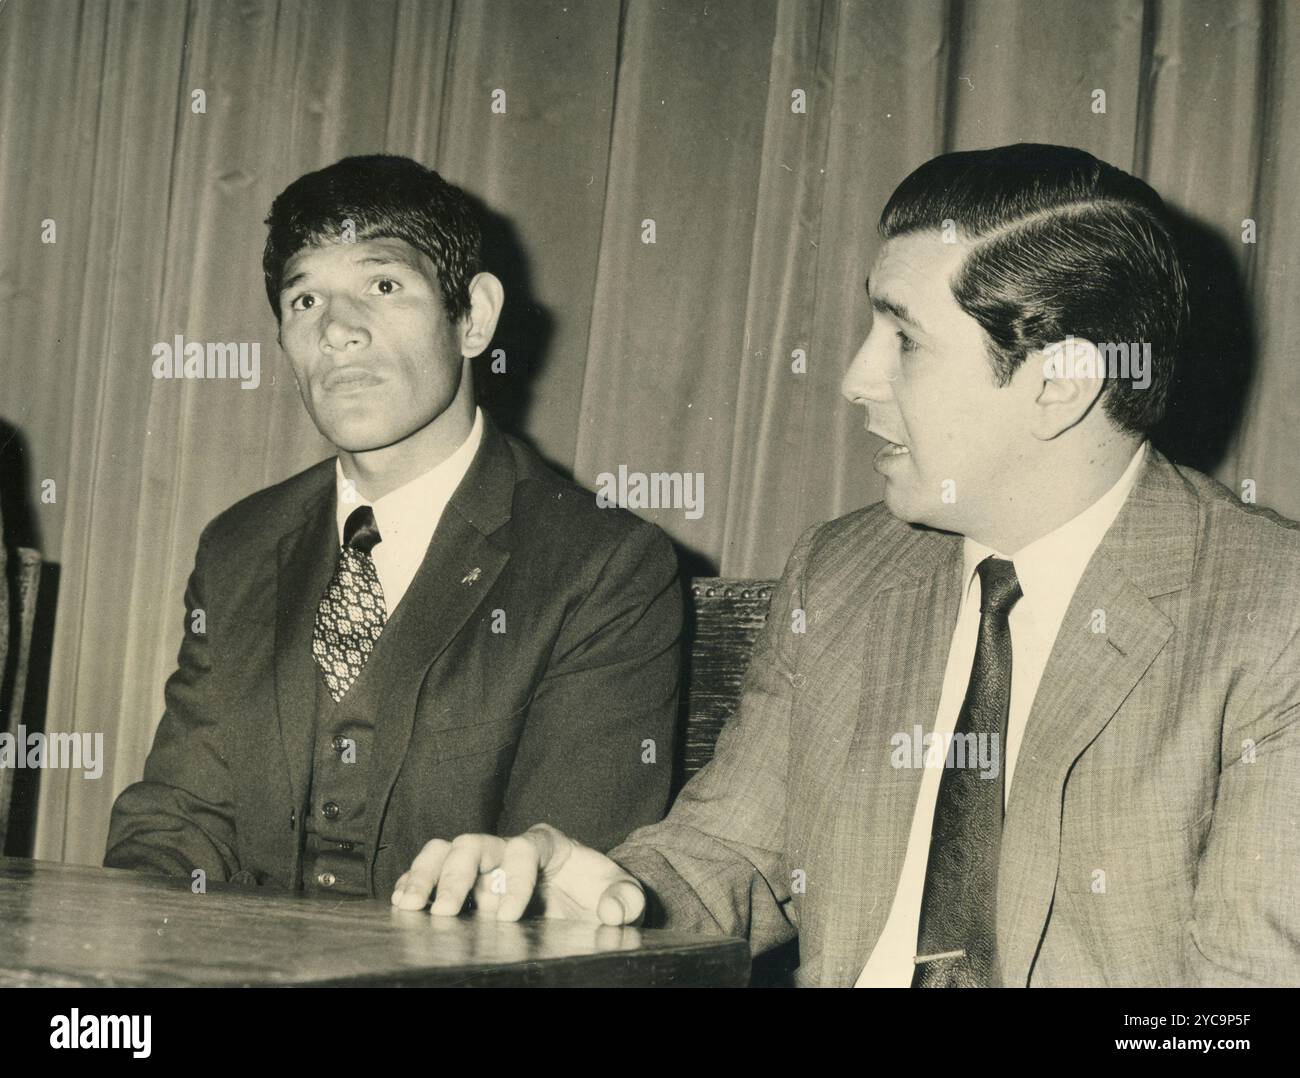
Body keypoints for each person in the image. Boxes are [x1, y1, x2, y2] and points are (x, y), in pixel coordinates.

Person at [396, 144, 1300, 986]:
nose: (856, 378)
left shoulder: (1272, 610)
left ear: (1058, 384)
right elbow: (733, 857)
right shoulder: (845, 571)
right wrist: (590, 889)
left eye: (903, 339)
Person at [105, 155, 682, 898]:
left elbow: (556, 893)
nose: (339, 330)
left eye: (382, 285)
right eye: (305, 299)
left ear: (474, 316)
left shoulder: (602, 565)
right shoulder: (240, 545)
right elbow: (180, 825)